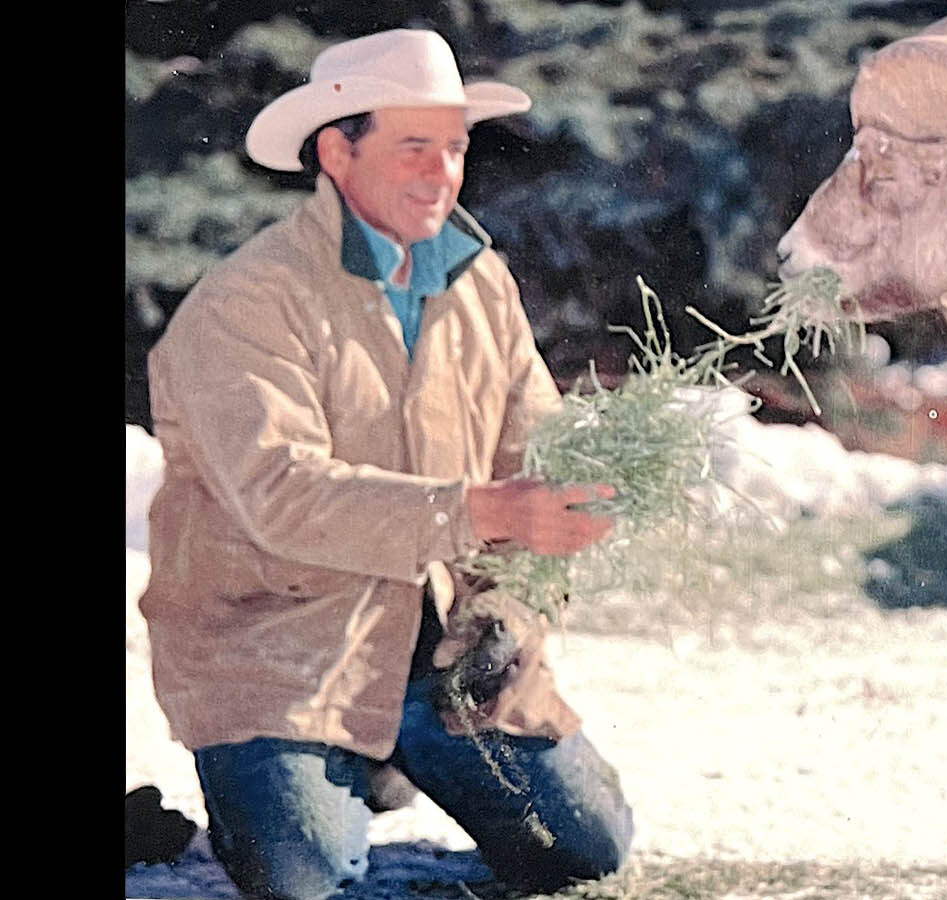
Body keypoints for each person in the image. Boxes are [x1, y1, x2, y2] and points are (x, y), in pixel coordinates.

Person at [140, 29, 634, 899]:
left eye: (455, 148)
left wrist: (518, 600)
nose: (443, 172)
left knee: (586, 850)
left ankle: (390, 752)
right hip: (283, 650)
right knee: (304, 875)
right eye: (415, 147)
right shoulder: (247, 303)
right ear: (337, 151)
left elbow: (540, 462)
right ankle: (306, 767)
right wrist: (486, 511)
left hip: (446, 650)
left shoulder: (482, 286)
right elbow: (281, 496)